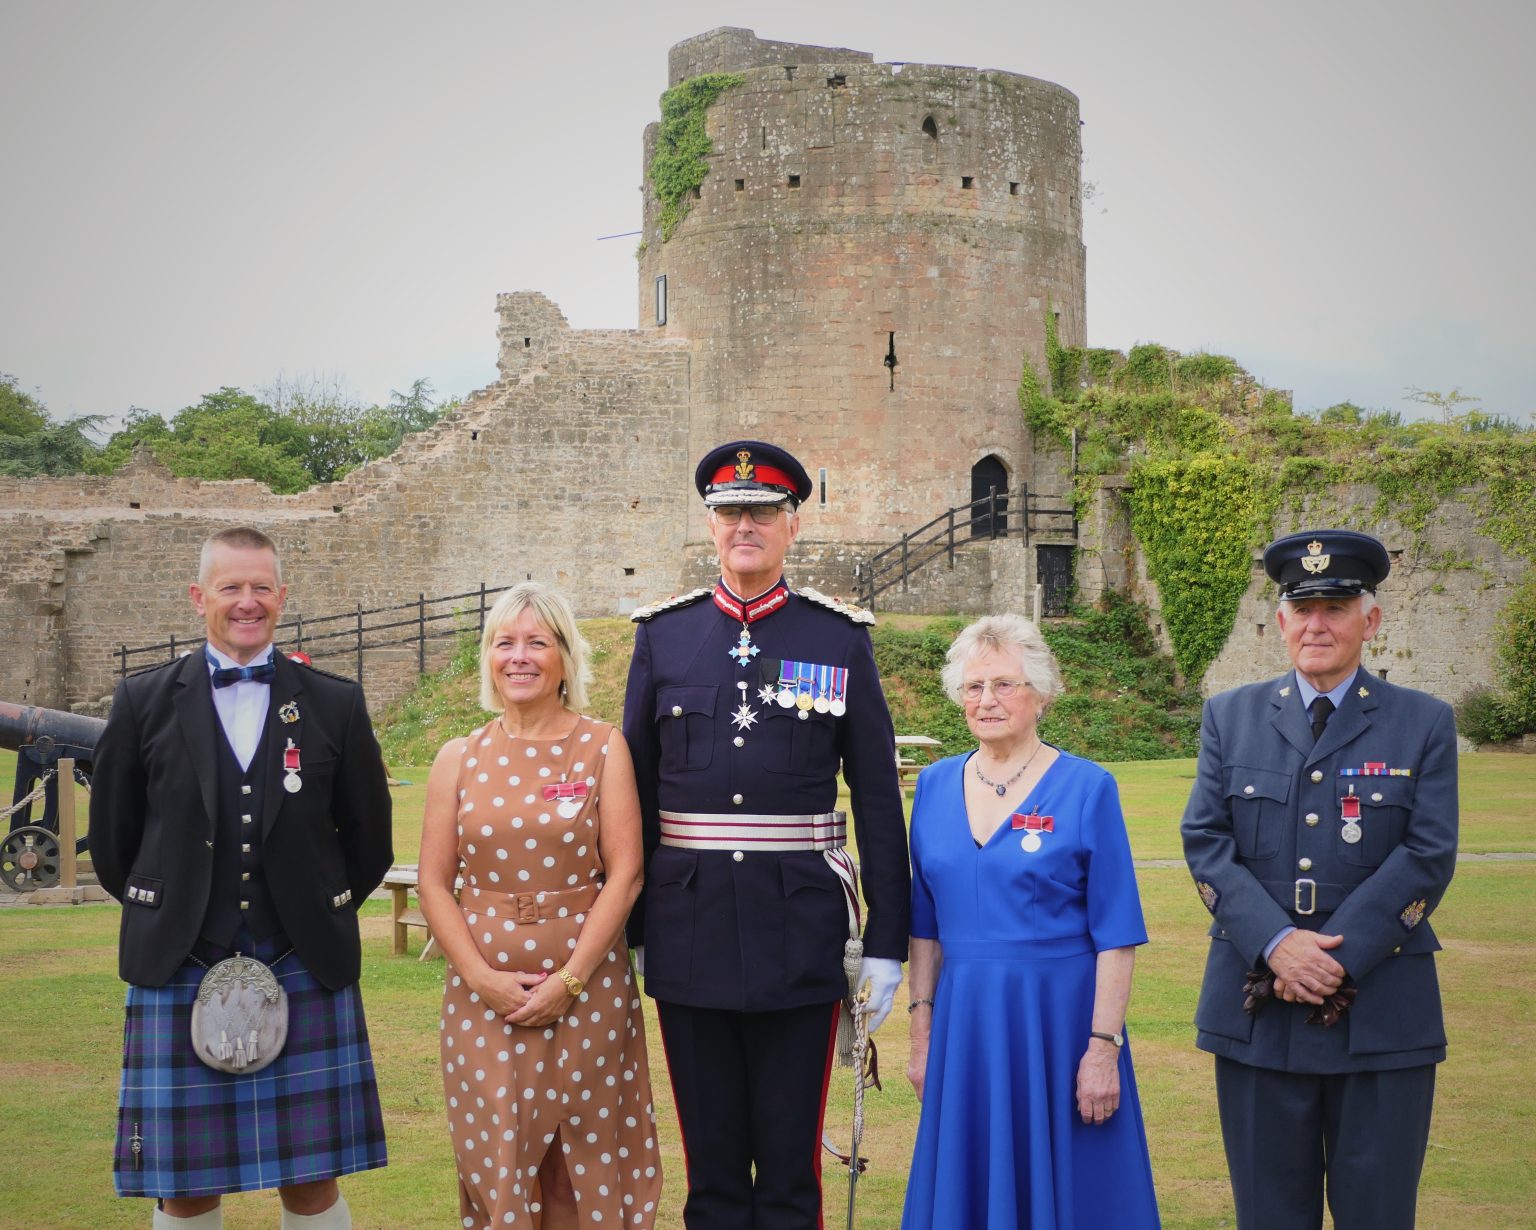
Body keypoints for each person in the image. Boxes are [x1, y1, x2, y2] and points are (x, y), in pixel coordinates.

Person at [622, 440, 910, 1229]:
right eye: (729, 512)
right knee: (712, 1179)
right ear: (711, 526)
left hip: (800, 933)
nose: (744, 524)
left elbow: (879, 798)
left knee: (789, 1177)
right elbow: (634, 796)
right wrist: (638, 928)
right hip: (689, 932)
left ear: (791, 526)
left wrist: (887, 940)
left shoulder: (837, 639)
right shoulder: (664, 637)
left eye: (762, 511)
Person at [89, 526, 392, 1230]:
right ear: (200, 597)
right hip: (179, 962)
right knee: (185, 1187)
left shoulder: (334, 702)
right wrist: (173, 911)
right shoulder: (143, 702)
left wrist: (317, 907)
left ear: (282, 597)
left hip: (302, 959)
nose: (247, 602)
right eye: (231, 587)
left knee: (312, 1179)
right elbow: (113, 842)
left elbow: (369, 840)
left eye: (261, 588)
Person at [1181, 530, 1458, 1230]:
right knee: (1270, 1216)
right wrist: (1276, 943)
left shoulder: (1422, 722)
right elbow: (1206, 841)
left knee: (1379, 1214)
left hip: (1381, 1010)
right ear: (1279, 622)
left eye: (1336, 606)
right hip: (1259, 1008)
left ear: (1371, 619)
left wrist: (1332, 958)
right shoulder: (1230, 715)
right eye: (1302, 609)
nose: (1317, 624)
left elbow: (1428, 854)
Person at [901, 613, 1160, 1229]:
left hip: (1059, 1023)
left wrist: (1103, 1048)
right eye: (973, 686)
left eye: (1005, 684)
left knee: (1071, 1190)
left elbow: (1117, 935)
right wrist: (921, 1035)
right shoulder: (934, 787)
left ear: (1042, 694)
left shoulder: (1088, 787)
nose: (986, 700)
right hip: (965, 1024)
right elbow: (924, 927)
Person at [418, 581, 662, 1229]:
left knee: (580, 1164)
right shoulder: (457, 758)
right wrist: (482, 979)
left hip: (588, 994)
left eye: (537, 642)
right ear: (487, 658)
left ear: (564, 658)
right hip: (483, 1000)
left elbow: (627, 873)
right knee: (499, 1160)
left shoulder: (604, 747)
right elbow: (435, 883)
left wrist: (571, 979)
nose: (519, 656)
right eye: (504, 642)